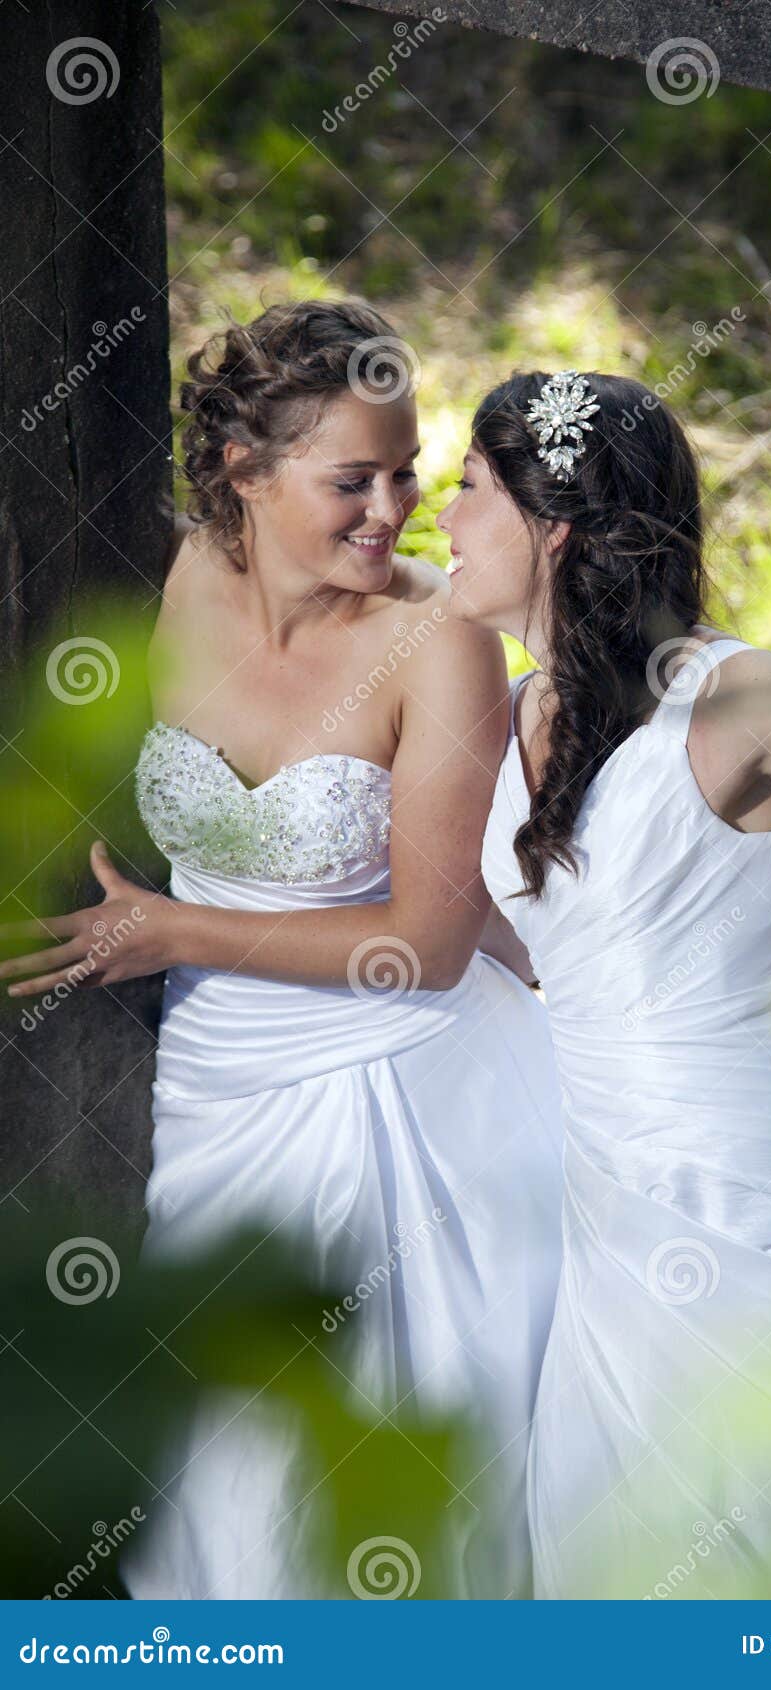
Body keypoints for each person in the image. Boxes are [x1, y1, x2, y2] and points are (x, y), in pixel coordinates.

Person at [2, 303, 563, 1599]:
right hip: (217, 1076)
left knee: (358, 1462)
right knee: (219, 1450)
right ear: (245, 477)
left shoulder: (441, 644)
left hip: (397, 1064)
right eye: (351, 479)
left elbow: (424, 944)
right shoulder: (166, 573)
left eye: (409, 472)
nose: (395, 510)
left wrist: (171, 928)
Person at [436, 369, 771, 1599]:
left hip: (748, 1181)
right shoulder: (510, 712)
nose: (443, 517)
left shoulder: (744, 698)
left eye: (466, 488)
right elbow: (521, 946)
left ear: (550, 526)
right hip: (600, 1198)